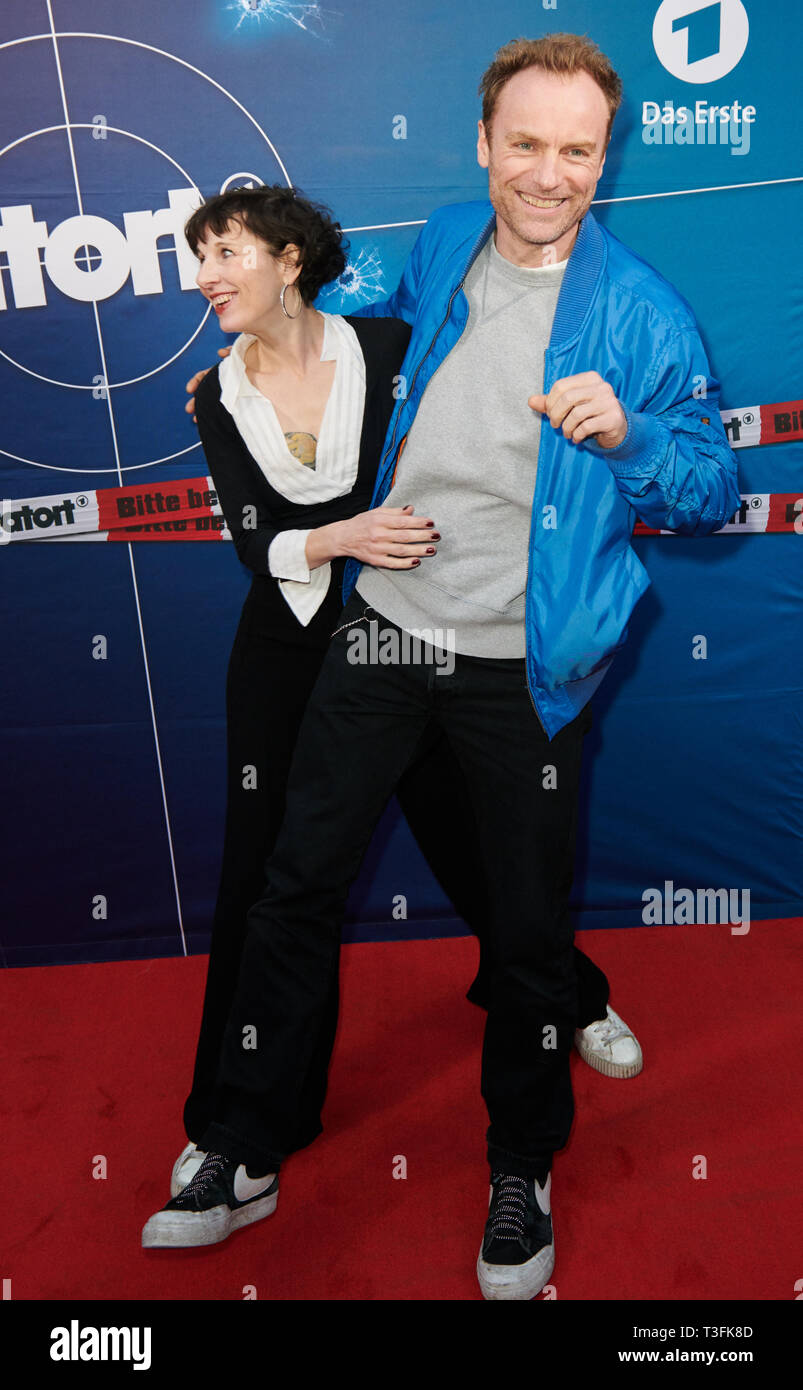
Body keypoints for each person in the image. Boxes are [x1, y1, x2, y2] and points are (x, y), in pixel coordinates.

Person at [146, 33, 738, 1300]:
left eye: (575, 151)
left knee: (523, 933)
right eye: (524, 144)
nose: (547, 173)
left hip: (520, 662)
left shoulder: (637, 310)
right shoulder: (441, 239)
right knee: (293, 886)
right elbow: (352, 334)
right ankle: (243, 1143)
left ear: (602, 158)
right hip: (379, 627)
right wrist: (258, 347)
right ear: (482, 146)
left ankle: (518, 1166)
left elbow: (708, 488)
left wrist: (630, 436)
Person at [166, 182, 636, 1209]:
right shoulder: (218, 396)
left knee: (484, 856)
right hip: (290, 657)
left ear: (290, 260)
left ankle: (574, 999)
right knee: (272, 879)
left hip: (409, 638)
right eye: (194, 255)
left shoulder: (388, 352)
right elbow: (259, 541)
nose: (202, 274)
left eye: (224, 250)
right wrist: (341, 539)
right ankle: (239, 1120)